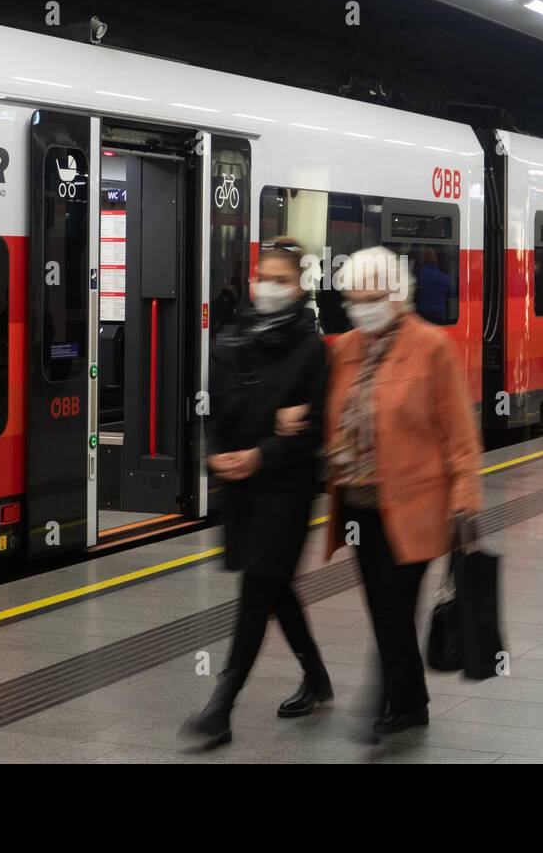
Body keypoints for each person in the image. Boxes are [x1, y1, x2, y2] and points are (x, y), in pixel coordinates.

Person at [324, 245, 482, 737]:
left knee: (393, 607)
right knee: (381, 606)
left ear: (396, 295)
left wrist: (465, 503)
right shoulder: (346, 348)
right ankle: (410, 697)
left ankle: (392, 701)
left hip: (416, 506)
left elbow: (460, 436)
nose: (361, 306)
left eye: (371, 296)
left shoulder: (431, 347)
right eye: (353, 298)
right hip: (359, 506)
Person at [184, 237, 332, 748]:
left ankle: (221, 706)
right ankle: (316, 675)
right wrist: (217, 452)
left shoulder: (311, 349)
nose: (268, 286)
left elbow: (311, 433)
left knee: (257, 590)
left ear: (299, 288)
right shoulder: (235, 334)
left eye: (280, 279)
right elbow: (217, 404)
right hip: (243, 489)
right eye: (263, 276)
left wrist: (261, 454)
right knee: (274, 585)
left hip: (286, 492)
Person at [414, 247, 451, 325]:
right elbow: (451, 292)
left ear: (422, 259)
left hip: (423, 310)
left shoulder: (418, 275)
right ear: (435, 259)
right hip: (439, 312)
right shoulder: (443, 277)